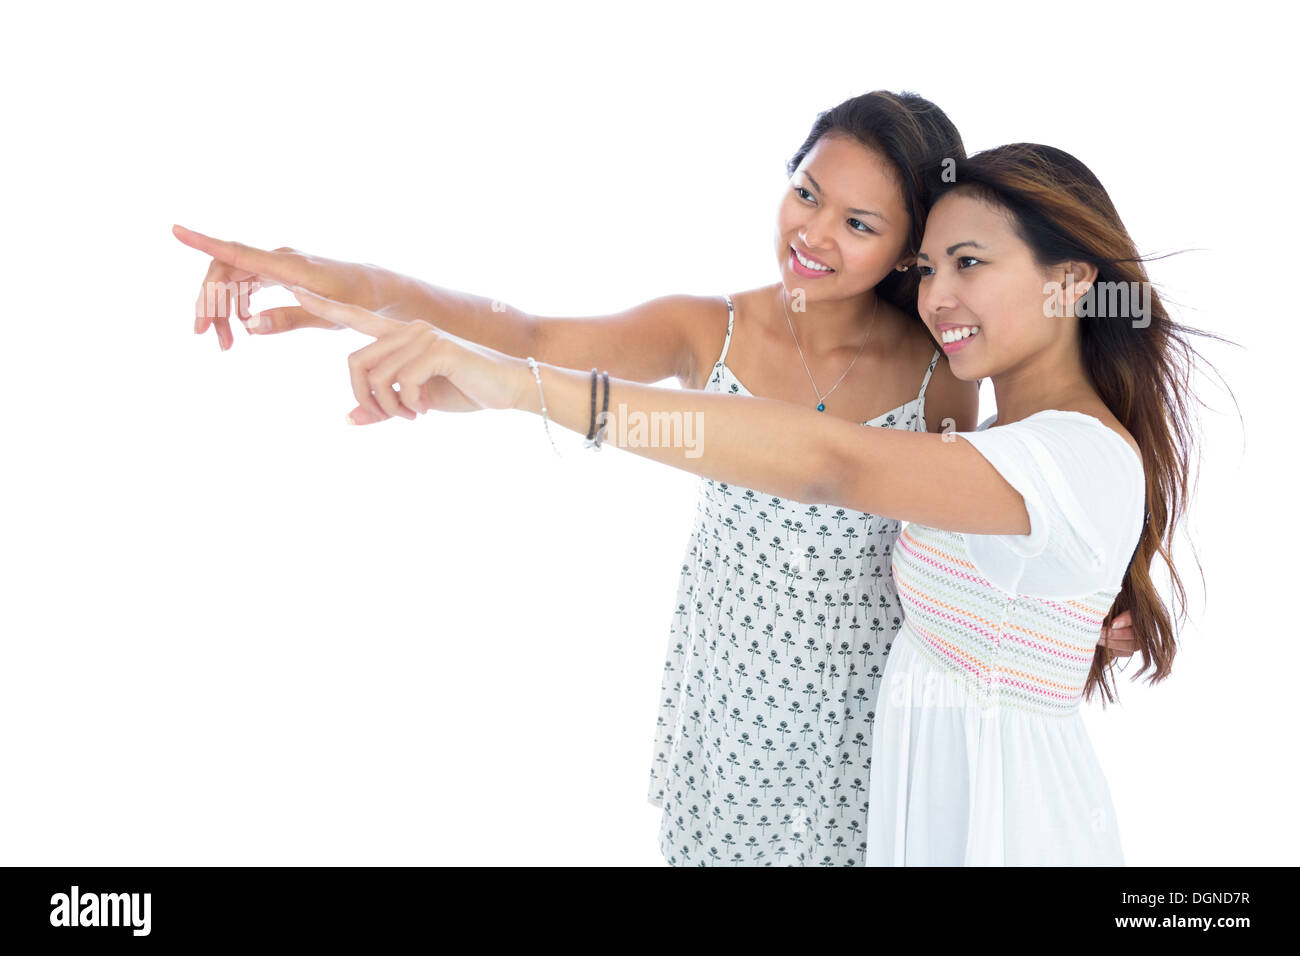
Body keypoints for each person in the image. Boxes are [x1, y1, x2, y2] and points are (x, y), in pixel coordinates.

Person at [175, 101, 1142, 867]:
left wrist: (1099, 594)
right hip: (733, 709)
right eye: (806, 193)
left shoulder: (948, 363)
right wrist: (321, 279)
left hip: (869, 738)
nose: (815, 233)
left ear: (904, 246)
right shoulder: (714, 327)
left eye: (861, 223)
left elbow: (965, 481)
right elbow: (526, 332)